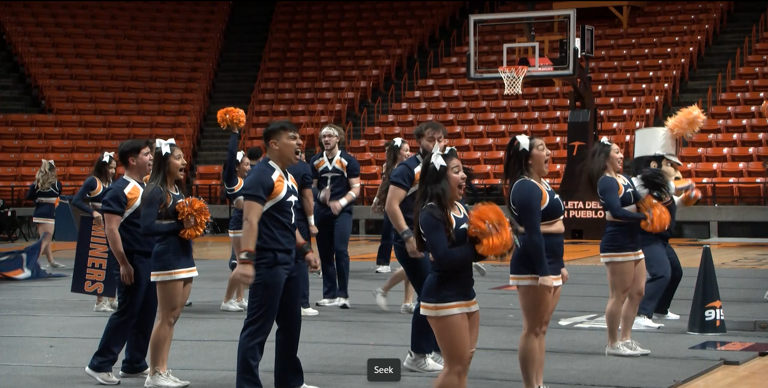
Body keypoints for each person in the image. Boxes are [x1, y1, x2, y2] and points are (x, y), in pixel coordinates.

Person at [231, 121, 321, 388]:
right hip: (268, 261)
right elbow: (250, 220)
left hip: (290, 261)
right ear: (273, 144)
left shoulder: (288, 177)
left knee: (291, 326)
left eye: (299, 138)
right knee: (257, 329)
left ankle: (289, 381)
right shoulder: (261, 175)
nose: (299, 143)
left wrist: (305, 249)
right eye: (292, 138)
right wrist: (246, 261)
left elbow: (288, 222)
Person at [84, 139, 156, 385]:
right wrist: (124, 263)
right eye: (147, 154)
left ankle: (135, 363)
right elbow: (111, 230)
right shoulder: (119, 190)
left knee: (146, 312)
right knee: (126, 311)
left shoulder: (145, 185)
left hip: (148, 259)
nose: (151, 158)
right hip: (131, 260)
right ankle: (100, 363)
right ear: (133, 160)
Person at [414, 147, 484, 388]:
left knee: (462, 366)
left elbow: (468, 255)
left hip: (466, 293)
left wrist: (497, 244)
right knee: (455, 366)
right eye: (456, 171)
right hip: (443, 296)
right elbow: (444, 258)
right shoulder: (431, 213)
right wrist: (478, 248)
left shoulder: (462, 208)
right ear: (440, 178)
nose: (464, 175)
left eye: (462, 170)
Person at [504, 135, 566, 388]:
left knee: (541, 328)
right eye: (542, 148)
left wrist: (559, 265)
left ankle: (539, 384)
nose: (549, 152)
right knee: (532, 328)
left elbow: (552, 227)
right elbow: (531, 233)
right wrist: (543, 272)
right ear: (528, 158)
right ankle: (531, 385)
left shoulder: (542, 184)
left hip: (550, 263)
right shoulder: (525, 187)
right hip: (533, 266)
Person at [384, 121, 446, 373]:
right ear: (419, 140)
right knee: (429, 294)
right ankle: (417, 354)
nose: (437, 144)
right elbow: (391, 206)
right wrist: (408, 236)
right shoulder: (407, 169)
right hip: (411, 241)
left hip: (434, 239)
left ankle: (433, 349)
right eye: (431, 139)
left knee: (438, 294)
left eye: (441, 139)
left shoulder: (441, 166)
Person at [586, 137, 656, 357]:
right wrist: (644, 217)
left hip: (633, 241)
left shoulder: (624, 179)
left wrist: (658, 208)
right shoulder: (606, 182)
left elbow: (640, 202)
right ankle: (612, 343)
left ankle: (626, 338)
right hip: (617, 242)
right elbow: (616, 211)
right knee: (619, 294)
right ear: (606, 156)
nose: (621, 155)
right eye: (616, 152)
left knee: (638, 291)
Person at [140, 138, 197, 387]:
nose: (184, 162)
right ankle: (153, 374)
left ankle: (162, 369)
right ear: (166, 161)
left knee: (173, 316)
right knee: (165, 317)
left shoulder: (177, 190)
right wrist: (178, 226)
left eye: (183, 157)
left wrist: (195, 227)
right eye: (178, 157)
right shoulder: (155, 190)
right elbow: (146, 227)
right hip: (167, 257)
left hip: (184, 254)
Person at [631, 127, 694, 329]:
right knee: (661, 273)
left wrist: (687, 199)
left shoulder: (664, 188)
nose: (675, 170)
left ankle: (660, 309)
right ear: (653, 164)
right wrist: (678, 186)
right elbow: (646, 186)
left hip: (662, 239)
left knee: (676, 272)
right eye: (670, 165)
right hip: (646, 238)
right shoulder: (638, 184)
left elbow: (673, 201)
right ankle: (642, 313)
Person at [310, 124, 360, 309]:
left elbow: (356, 188)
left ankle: (343, 294)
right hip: (322, 210)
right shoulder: (316, 161)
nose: (326, 139)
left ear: (338, 138)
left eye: (330, 136)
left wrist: (341, 203)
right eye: (324, 136)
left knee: (340, 250)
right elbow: (312, 187)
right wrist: (319, 196)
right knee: (324, 253)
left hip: (342, 211)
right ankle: (329, 294)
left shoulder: (348, 161)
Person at [372, 138, 416, 313]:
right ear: (397, 152)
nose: (408, 153)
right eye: (405, 150)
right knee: (412, 260)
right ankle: (383, 290)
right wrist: (376, 199)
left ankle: (407, 301)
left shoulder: (413, 167)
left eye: (409, 150)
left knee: (413, 260)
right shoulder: (391, 168)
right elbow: (384, 185)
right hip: (398, 213)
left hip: (411, 213)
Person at [73, 152, 119, 313]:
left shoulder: (111, 182)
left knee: (114, 259)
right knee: (100, 260)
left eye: (114, 168)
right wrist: (92, 212)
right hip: (97, 225)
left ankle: (112, 299)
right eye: (110, 168)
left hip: (110, 223)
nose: (113, 171)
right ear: (103, 167)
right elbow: (76, 200)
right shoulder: (93, 181)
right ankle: (99, 302)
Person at [220, 127, 251, 313]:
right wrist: (234, 133)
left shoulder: (247, 180)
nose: (249, 167)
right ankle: (226, 300)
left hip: (245, 225)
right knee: (241, 264)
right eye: (246, 164)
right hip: (238, 226)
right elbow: (231, 154)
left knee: (243, 262)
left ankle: (239, 298)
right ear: (236, 166)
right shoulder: (232, 180)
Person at [288, 148, 320, 316]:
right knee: (300, 260)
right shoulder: (302, 167)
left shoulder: (267, 167)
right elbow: (307, 197)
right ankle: (302, 303)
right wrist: (312, 223)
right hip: (297, 217)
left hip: (274, 219)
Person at [26, 159, 64, 269]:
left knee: (45, 239)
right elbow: (58, 194)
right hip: (48, 214)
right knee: (46, 240)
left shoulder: (37, 183)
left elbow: (28, 196)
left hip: (38, 213)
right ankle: (33, 262)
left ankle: (51, 261)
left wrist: (38, 200)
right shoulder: (57, 184)